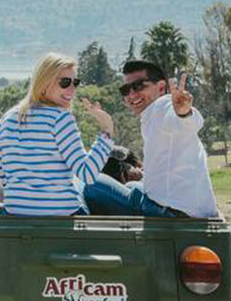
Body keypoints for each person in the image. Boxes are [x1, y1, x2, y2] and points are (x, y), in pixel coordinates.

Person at [83, 60, 220, 218]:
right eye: (126, 90)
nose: (132, 94)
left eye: (139, 86)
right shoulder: (150, 115)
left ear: (161, 87)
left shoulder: (162, 107)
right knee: (132, 185)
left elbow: (185, 123)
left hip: (169, 213)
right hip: (190, 208)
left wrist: (184, 113)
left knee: (90, 182)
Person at [0, 52, 114, 216]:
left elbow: (3, 176)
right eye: (65, 83)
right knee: (81, 186)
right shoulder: (60, 118)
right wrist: (106, 131)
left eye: (75, 82)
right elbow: (87, 174)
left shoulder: (5, 120)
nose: (72, 89)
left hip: (14, 213)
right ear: (44, 83)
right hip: (62, 216)